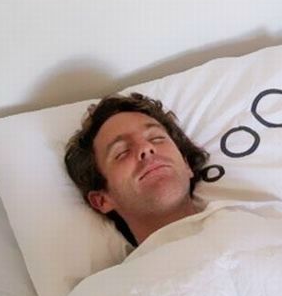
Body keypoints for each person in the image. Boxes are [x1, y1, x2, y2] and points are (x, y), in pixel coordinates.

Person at [64, 92, 209, 246]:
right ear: (102, 200)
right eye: (122, 152)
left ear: (186, 165)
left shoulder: (229, 219)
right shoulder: (139, 264)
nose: (146, 148)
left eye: (157, 138)